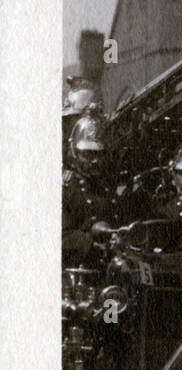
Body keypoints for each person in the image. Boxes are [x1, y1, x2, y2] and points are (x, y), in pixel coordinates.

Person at [62, 106, 121, 263]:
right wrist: (89, 242)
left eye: (98, 154)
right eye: (88, 154)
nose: (94, 161)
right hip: (76, 268)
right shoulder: (65, 189)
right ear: (75, 152)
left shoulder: (106, 188)